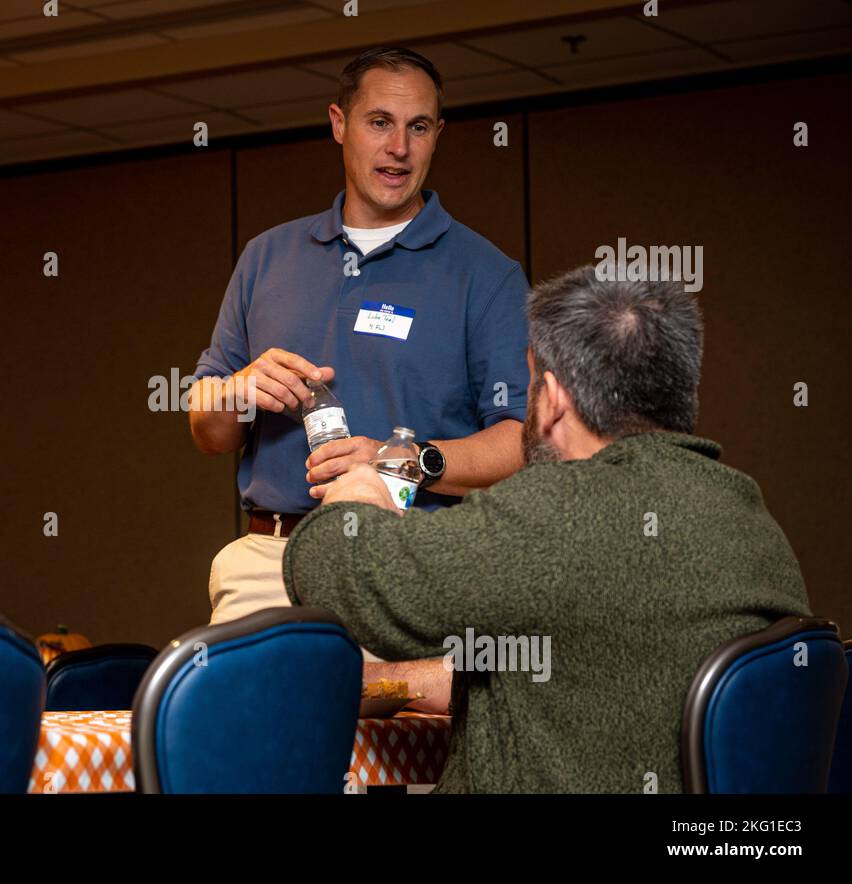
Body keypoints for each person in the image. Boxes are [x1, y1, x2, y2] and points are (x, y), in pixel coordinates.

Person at [282, 267, 812, 792]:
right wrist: (398, 681)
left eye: (530, 380)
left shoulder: (558, 509)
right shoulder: (748, 515)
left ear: (553, 397)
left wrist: (357, 502)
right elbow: (595, 656)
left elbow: (345, 575)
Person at [188, 48, 530, 651]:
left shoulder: (487, 275)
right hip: (270, 563)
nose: (399, 147)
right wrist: (237, 391)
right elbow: (209, 432)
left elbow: (525, 444)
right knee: (237, 739)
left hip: (408, 561)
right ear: (339, 124)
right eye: (379, 122)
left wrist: (399, 462)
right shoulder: (267, 257)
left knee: (393, 745)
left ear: (437, 136)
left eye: (418, 127)